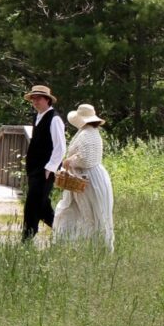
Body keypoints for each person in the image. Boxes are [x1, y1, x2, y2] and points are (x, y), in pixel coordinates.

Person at [52, 104, 114, 251]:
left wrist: (69, 161)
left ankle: (88, 247)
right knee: (87, 211)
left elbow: (85, 159)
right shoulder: (92, 132)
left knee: (87, 213)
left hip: (87, 177)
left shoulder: (86, 134)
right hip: (94, 175)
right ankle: (79, 244)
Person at [21, 83, 65, 241]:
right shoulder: (37, 117)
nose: (35, 101)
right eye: (33, 98)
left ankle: (26, 238)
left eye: (38, 98)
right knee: (42, 205)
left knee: (32, 204)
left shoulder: (54, 119)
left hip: (45, 170)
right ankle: (63, 232)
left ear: (47, 100)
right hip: (34, 169)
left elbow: (60, 147)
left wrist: (51, 168)